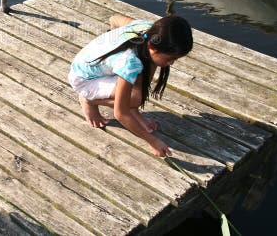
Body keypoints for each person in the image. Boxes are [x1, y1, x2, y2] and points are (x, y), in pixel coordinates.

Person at [68, 14, 193, 157]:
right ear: (152, 46)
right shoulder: (129, 63)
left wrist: (112, 41)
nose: (171, 63)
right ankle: (89, 100)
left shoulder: (146, 28)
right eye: (170, 58)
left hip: (92, 67)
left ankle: (134, 110)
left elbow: (114, 19)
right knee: (135, 97)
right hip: (84, 80)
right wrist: (152, 141)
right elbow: (120, 113)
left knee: (149, 64)